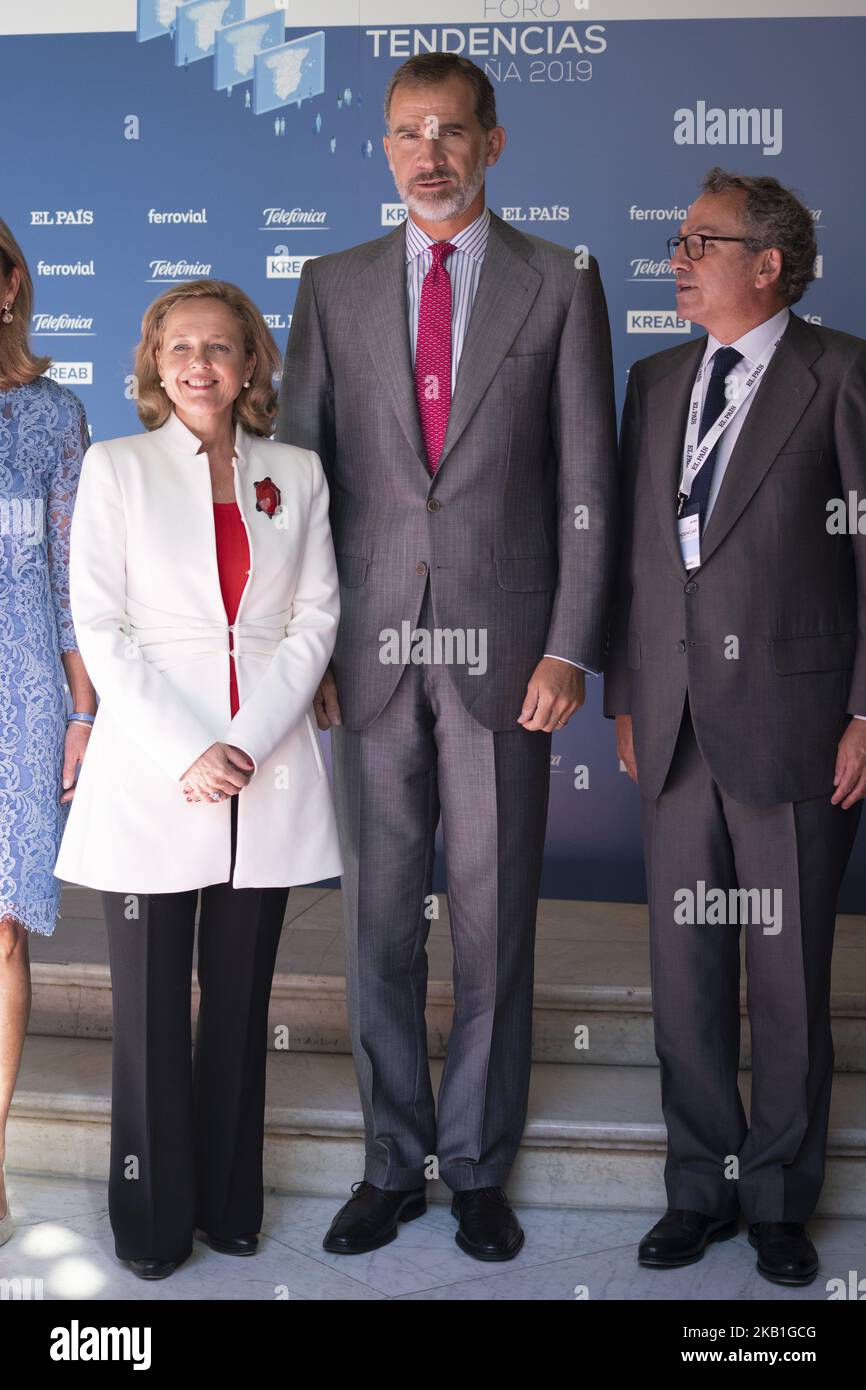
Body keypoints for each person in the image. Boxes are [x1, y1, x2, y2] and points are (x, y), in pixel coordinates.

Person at [278, 52, 617, 1261]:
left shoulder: (561, 281)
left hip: (507, 655)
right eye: (406, 133)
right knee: (376, 922)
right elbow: (300, 487)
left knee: (491, 918)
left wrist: (573, 643)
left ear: (492, 142)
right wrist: (302, 649)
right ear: (383, 148)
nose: (429, 152)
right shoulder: (331, 283)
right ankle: (391, 1162)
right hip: (365, 655)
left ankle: (474, 1165)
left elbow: (589, 479)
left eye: (451, 131)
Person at [604, 168, 866, 1286]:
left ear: (767, 263)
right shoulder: (655, 378)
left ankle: (776, 1199)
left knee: (787, 967)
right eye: (675, 240)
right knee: (686, 967)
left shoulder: (841, 373)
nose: (677, 257)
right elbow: (632, 556)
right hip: (668, 722)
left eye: (700, 242)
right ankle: (695, 1188)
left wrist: (862, 706)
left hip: (798, 720)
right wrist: (622, 691)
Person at [54, 279, 342, 1278]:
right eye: (178, 347)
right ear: (153, 364)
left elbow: (315, 620)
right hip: (151, 775)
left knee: (237, 1001)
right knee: (144, 1017)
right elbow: (101, 622)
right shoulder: (115, 469)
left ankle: (229, 1205)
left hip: (263, 776)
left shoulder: (296, 474)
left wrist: (251, 740)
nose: (198, 364)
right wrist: (189, 747)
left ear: (251, 364)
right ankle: (151, 1219)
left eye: (219, 347)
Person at [0, 218, 94, 1248]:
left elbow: (73, 584)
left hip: (15, 690)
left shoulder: (53, 417)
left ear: (11, 284)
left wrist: (81, 712)